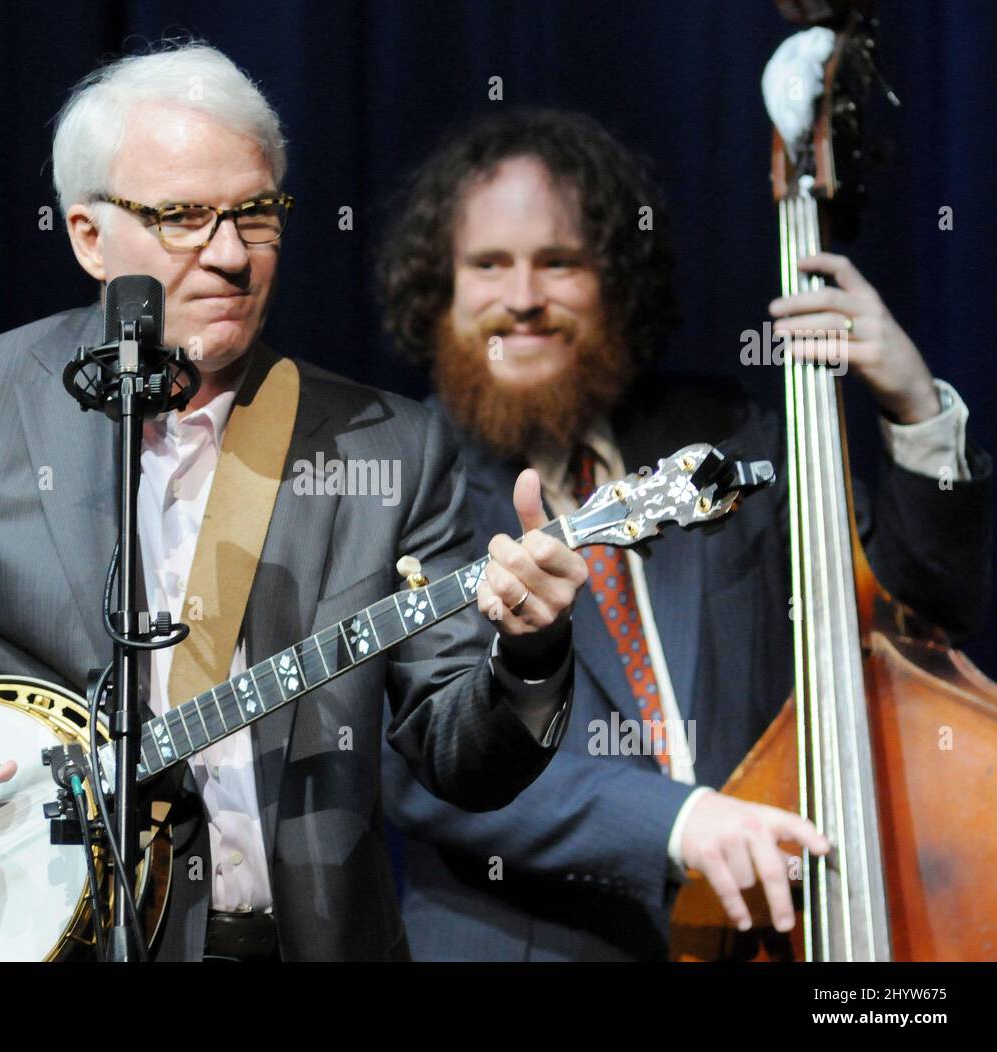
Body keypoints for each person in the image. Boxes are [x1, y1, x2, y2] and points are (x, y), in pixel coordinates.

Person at [0, 47, 589, 962]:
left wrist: (528, 653)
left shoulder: (390, 444)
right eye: (182, 217)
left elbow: (461, 759)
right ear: (89, 236)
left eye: (255, 214)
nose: (230, 255)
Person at [377, 109, 993, 961]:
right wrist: (678, 823)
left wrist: (915, 409)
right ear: (438, 288)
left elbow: (925, 616)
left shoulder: (733, 438)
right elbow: (425, 765)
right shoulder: (404, 477)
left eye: (559, 262)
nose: (522, 298)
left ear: (615, 281)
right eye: (489, 265)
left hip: (766, 939)